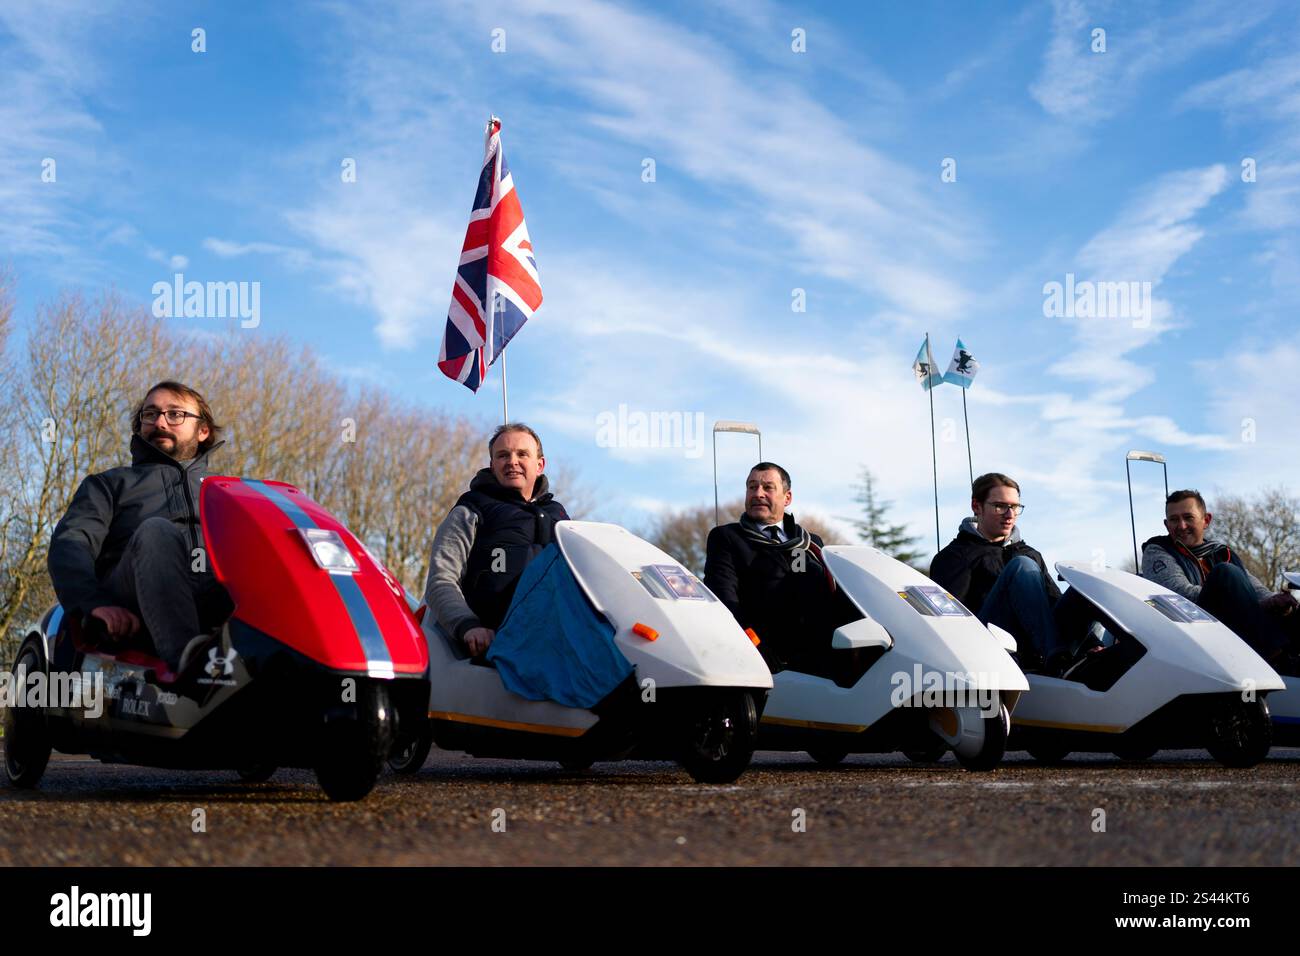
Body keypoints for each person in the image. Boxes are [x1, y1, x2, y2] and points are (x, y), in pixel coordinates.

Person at [47, 380, 228, 672]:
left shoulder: (227, 491)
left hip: (218, 600)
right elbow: (71, 543)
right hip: (133, 599)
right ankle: (190, 665)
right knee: (156, 531)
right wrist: (94, 603)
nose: (160, 422)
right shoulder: (108, 484)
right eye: (150, 414)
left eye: (175, 414)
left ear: (203, 430)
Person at [422, 423, 568, 656]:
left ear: (540, 465)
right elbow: (441, 580)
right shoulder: (470, 509)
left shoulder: (560, 517)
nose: (512, 461)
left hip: (553, 641)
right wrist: (469, 626)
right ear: (492, 465)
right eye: (503, 455)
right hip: (491, 646)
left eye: (522, 454)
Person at [703, 462, 859, 679]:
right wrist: (754, 647)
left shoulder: (810, 543)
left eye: (768, 487)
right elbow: (725, 597)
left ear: (787, 498)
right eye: (752, 487)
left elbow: (830, 595)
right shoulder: (727, 538)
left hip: (822, 662)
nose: (758, 494)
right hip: (763, 660)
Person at [930, 472, 1084, 672]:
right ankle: (1058, 661)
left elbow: (1054, 599)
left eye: (1015, 507)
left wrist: (1091, 641)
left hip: (1040, 642)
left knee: (1086, 588)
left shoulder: (1030, 553)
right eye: (1000, 506)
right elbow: (948, 623)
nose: (1010, 515)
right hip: (987, 645)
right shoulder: (955, 557)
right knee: (1022, 566)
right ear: (977, 507)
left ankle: (1091, 656)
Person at [1141, 489, 1298, 669]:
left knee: (1291, 607)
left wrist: (1275, 600)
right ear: (1167, 525)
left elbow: (1253, 587)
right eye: (1174, 520)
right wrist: (1251, 604)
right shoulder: (1158, 551)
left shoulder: (1221, 552)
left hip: (1234, 629)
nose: (1181, 525)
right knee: (1226, 573)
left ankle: (1290, 657)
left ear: (1206, 520)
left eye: (1188, 517)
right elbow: (1180, 595)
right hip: (1193, 632)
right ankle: (1273, 655)